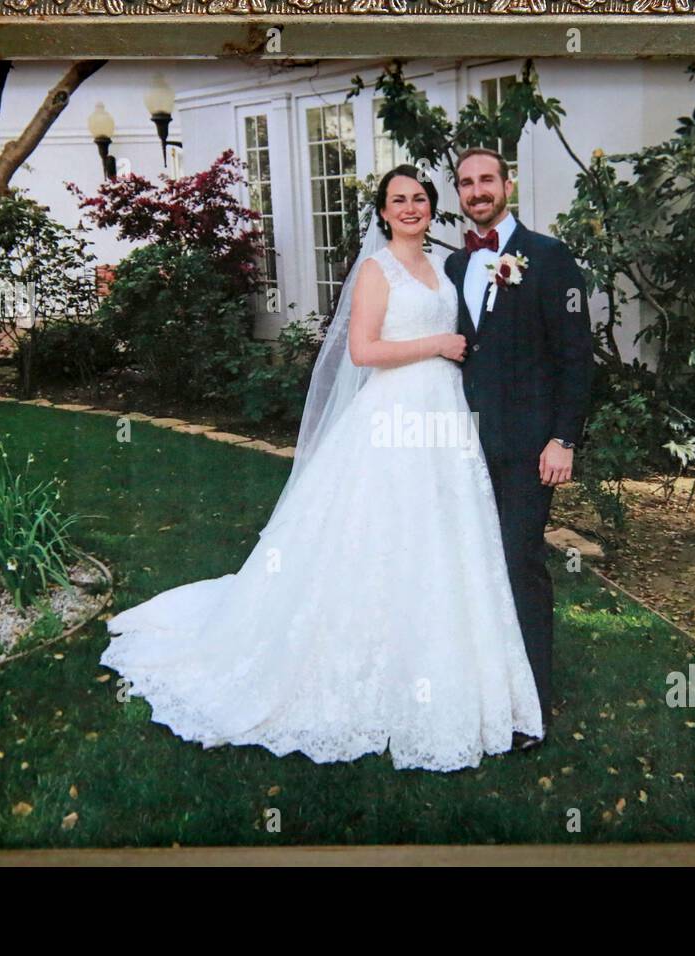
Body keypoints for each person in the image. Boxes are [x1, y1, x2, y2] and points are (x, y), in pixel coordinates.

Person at [100, 164, 542, 772]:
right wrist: (434, 345)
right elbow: (364, 350)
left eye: (419, 198)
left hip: (445, 418)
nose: (410, 208)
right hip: (391, 417)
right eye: (398, 200)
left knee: (448, 542)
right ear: (383, 213)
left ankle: (445, 664)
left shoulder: (446, 266)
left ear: (431, 207)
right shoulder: (374, 270)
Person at [444, 147, 595, 746]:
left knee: (519, 561)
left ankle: (531, 703)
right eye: (466, 183)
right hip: (462, 444)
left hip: (530, 446)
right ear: (458, 193)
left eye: (487, 180)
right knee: (472, 567)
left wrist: (563, 437)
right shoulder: (456, 267)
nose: (477, 191)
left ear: (508, 185)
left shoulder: (552, 258)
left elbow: (576, 357)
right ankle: (482, 684)